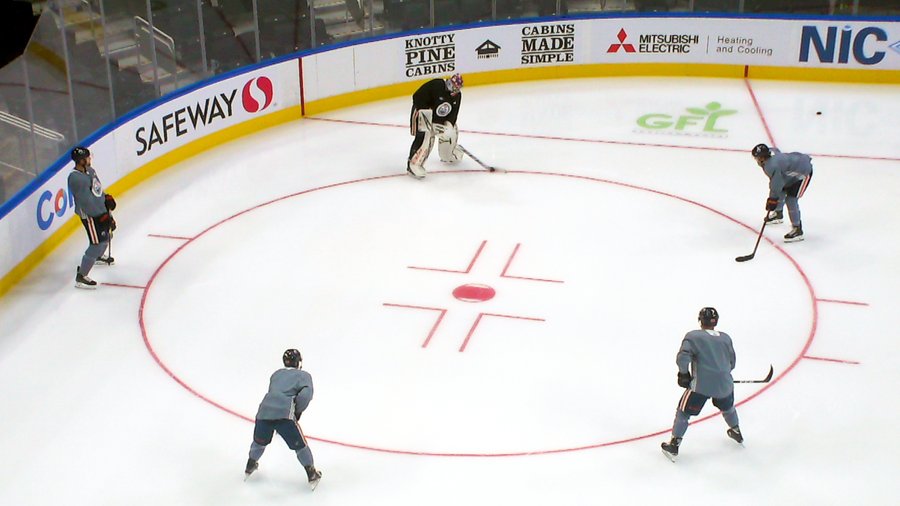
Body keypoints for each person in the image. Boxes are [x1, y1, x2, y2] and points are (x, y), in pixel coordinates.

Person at [661, 307, 743, 462]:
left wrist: (683, 374)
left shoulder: (693, 337)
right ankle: (736, 431)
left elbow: (682, 359)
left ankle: (674, 444)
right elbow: (732, 363)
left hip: (701, 386)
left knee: (683, 413)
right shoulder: (726, 338)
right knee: (728, 407)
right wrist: (722, 375)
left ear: (700, 320)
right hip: (725, 384)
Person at [245, 349, 322, 490]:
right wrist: (297, 411)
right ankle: (311, 472)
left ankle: (250, 464)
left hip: (264, 413)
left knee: (259, 442)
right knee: (300, 446)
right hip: (284, 415)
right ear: (298, 362)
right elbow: (306, 396)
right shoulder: (304, 376)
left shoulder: (276, 374)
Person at [67, 146, 116, 289]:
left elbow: (97, 189)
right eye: (88, 157)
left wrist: (106, 197)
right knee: (96, 244)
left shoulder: (90, 171)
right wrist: (102, 215)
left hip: (100, 212)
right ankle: (81, 276)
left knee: (108, 235)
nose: (90, 159)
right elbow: (86, 201)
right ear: (81, 160)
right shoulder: (76, 178)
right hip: (90, 216)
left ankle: (98, 256)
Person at [751, 143, 813, 242]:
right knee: (782, 190)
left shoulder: (771, 166)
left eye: (757, 158)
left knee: (791, 200)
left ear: (762, 158)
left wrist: (772, 200)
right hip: (791, 170)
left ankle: (797, 229)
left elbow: (776, 185)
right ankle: (778, 214)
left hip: (803, 172)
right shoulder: (771, 153)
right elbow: (776, 150)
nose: (756, 160)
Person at [407, 73, 464, 179]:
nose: (453, 90)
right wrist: (428, 117)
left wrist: (448, 125)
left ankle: (449, 154)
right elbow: (417, 97)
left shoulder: (457, 96)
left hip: (437, 120)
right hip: (423, 113)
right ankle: (413, 164)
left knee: (452, 131)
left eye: (456, 88)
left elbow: (453, 114)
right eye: (452, 86)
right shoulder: (436, 85)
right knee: (425, 137)